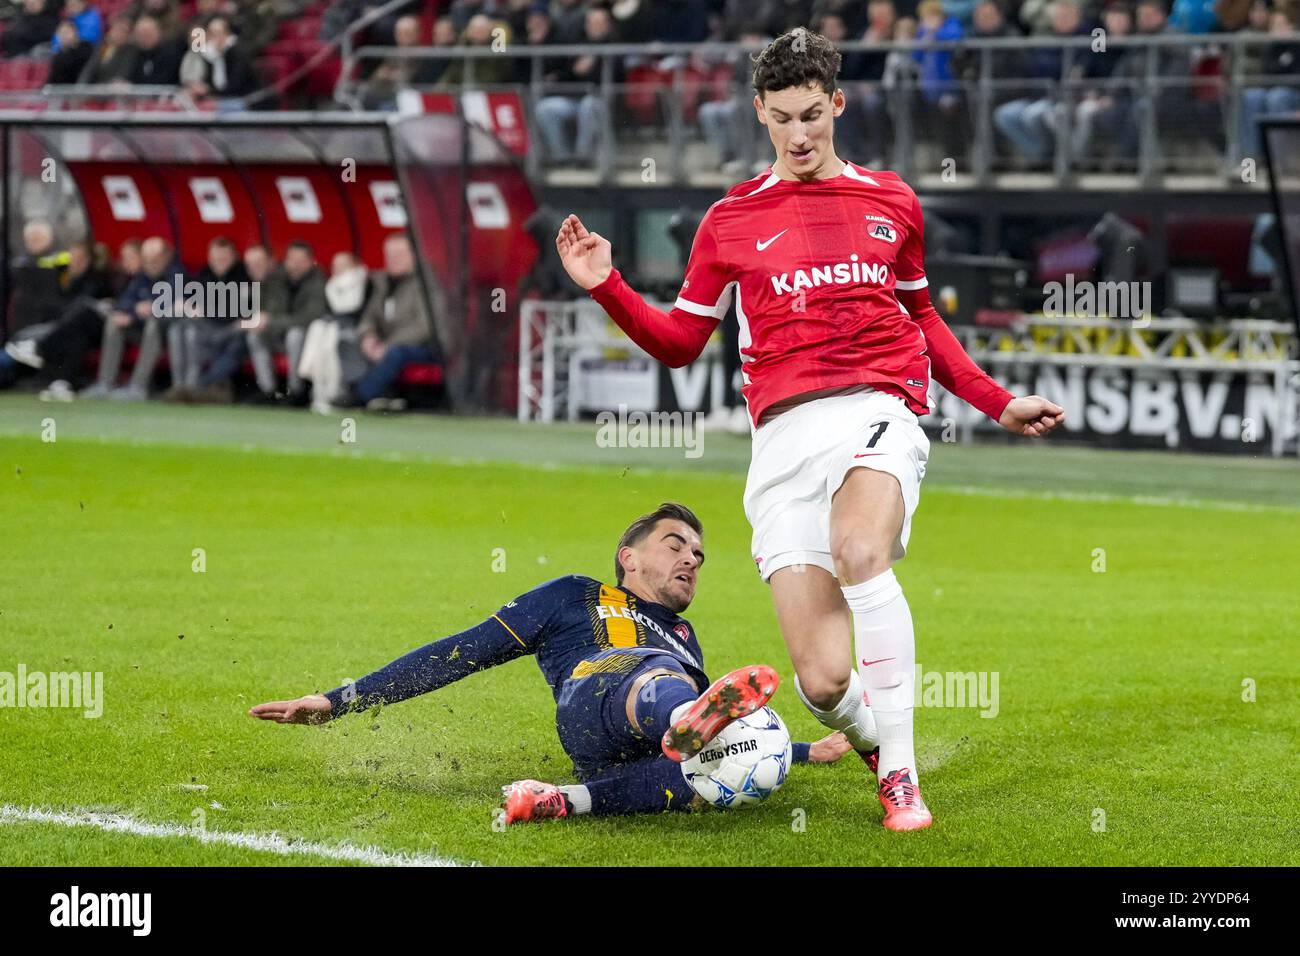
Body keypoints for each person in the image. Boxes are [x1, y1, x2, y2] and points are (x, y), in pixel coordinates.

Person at [556, 28, 1065, 831]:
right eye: (783, 118)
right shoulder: (728, 221)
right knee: (824, 681)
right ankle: (870, 733)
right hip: (783, 443)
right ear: (759, 112)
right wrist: (607, 285)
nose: (800, 135)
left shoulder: (891, 199)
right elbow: (682, 344)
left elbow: (922, 316)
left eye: (813, 117)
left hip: (877, 410)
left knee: (862, 550)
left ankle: (900, 776)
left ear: (837, 105)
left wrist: (996, 401)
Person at [249, 502, 853, 822]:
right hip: (595, 691)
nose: (692, 558)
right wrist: (339, 700)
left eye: (699, 553)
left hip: (625, 746)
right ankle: (681, 713)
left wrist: (803, 752)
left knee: (707, 775)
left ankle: (562, 800)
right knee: (655, 679)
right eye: (676, 545)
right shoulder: (576, 595)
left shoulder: (684, 635)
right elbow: (460, 653)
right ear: (629, 557)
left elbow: (721, 740)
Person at [338, 234, 437, 411]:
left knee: (395, 353)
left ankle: (360, 395)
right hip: (386, 343)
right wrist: (369, 336)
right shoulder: (382, 283)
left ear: (414, 256)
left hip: (424, 346)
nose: (393, 260)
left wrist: (387, 345)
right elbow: (369, 316)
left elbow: (425, 327)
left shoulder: (426, 283)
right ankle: (357, 389)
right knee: (349, 339)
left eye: (399, 254)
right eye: (390, 255)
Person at [81, 236, 187, 400]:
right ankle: (105, 383)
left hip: (167, 334)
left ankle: (138, 386)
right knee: (114, 321)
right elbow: (124, 302)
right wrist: (134, 312)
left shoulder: (177, 275)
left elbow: (162, 308)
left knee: (153, 323)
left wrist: (137, 314)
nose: (150, 262)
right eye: (146, 259)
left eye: (155, 258)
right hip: (140, 327)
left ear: (166, 257)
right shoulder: (143, 276)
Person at [244, 240, 325, 403]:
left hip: (307, 341)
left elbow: (308, 317)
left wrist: (271, 321)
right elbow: (269, 310)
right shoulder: (277, 279)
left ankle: (295, 391)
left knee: (295, 335)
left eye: (299, 260)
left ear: (310, 261)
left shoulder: (318, 281)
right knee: (254, 336)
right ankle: (267, 391)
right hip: (278, 335)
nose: (294, 264)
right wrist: (263, 320)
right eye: (291, 259)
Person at [298, 251, 369, 414]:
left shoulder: (365, 282)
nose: (338, 270)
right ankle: (321, 393)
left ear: (354, 266)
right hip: (334, 328)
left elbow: (356, 311)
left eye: (343, 265)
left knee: (334, 342)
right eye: (335, 266)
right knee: (321, 336)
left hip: (355, 331)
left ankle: (337, 392)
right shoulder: (331, 285)